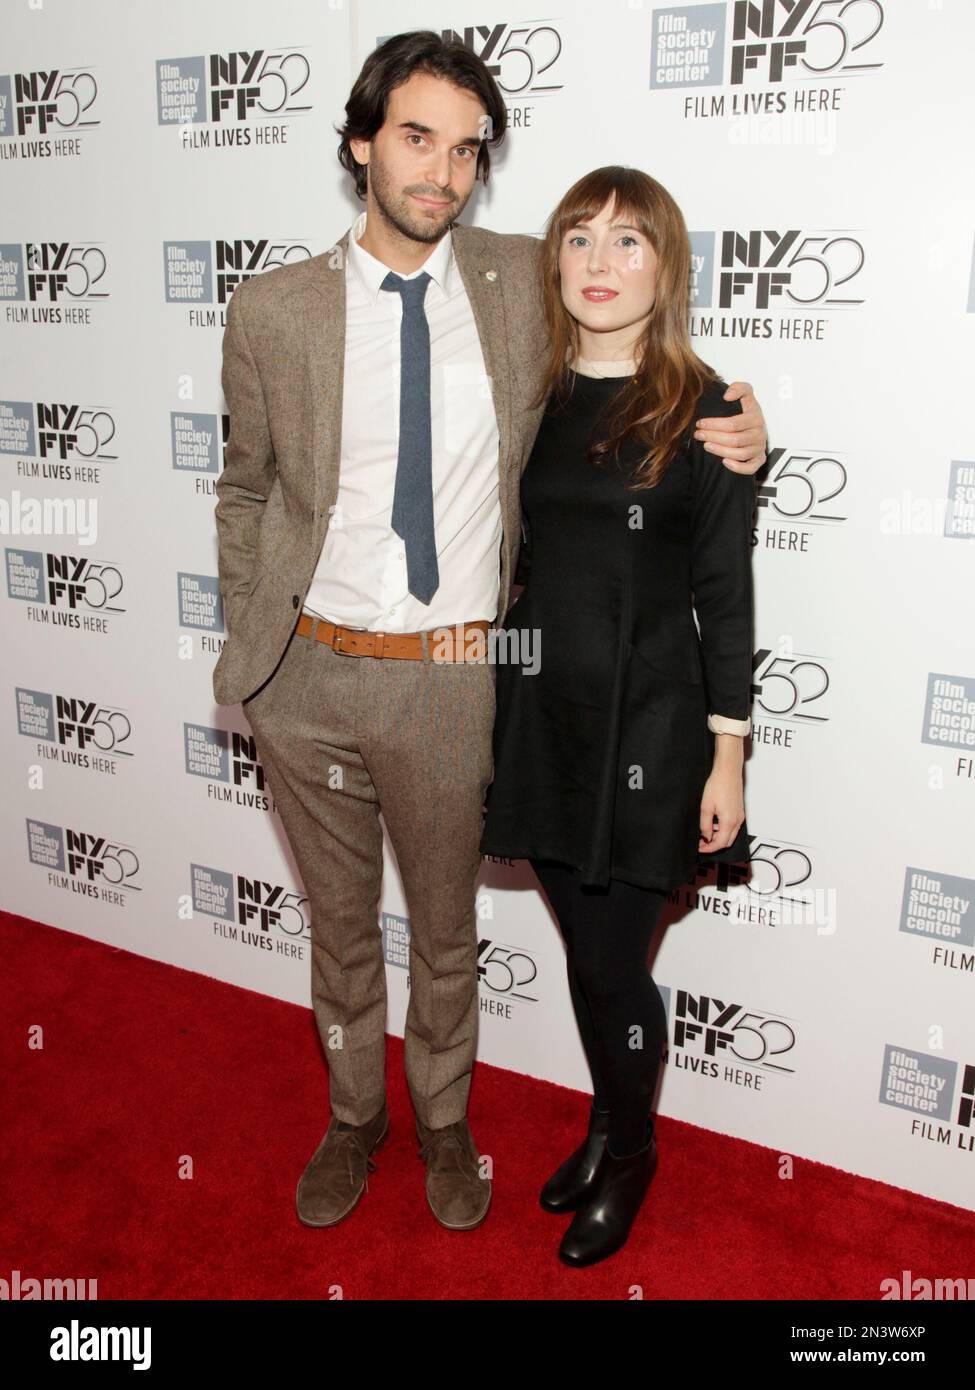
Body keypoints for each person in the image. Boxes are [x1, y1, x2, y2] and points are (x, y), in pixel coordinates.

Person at [213, 31, 769, 1236]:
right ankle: (354, 1118)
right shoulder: (271, 309)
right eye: (418, 138)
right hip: (304, 672)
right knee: (341, 928)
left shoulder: (518, 282)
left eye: (468, 150)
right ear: (361, 144)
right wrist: (250, 646)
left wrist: (739, 414)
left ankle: (447, 1124)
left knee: (451, 934)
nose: (443, 173)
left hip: (458, 677)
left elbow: (639, 315)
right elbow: (245, 488)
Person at [479, 165, 757, 1267]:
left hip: (652, 731)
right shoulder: (529, 392)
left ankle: (631, 1150)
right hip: (540, 718)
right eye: (580, 239)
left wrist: (729, 757)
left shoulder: (711, 408)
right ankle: (607, 1123)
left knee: (609, 965)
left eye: (628, 241)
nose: (600, 263)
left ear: (667, 265)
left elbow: (727, 595)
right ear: (554, 261)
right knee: (589, 957)